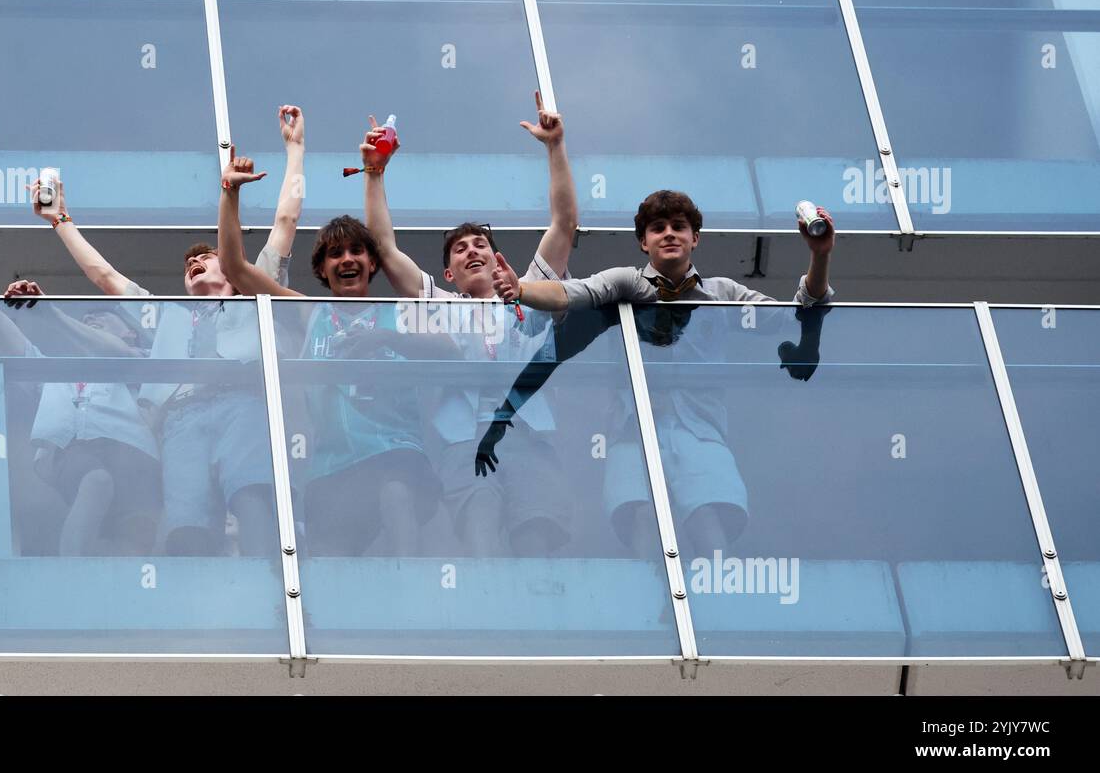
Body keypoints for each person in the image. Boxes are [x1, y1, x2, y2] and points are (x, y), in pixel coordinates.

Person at [491, 189, 835, 561]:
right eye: (658, 228)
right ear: (643, 242)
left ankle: (719, 604)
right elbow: (573, 292)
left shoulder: (722, 293)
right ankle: (651, 611)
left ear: (695, 238)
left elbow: (798, 314)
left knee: (708, 520)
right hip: (632, 433)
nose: (669, 233)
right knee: (641, 520)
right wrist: (521, 290)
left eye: (678, 226)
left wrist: (820, 255)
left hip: (701, 432)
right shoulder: (625, 283)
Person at [27, 105, 306, 556]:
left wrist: (295, 150)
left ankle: (269, 591)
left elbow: (286, 222)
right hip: (182, 420)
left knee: (253, 500)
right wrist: (60, 220)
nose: (194, 264)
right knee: (186, 525)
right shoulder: (169, 316)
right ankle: (197, 615)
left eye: (206, 258)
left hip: (245, 403)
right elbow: (106, 278)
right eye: (188, 265)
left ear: (232, 269)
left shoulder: (257, 295)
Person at [358, 92, 580, 556]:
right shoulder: (437, 304)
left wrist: (555, 148)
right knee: (479, 531)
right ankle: (489, 620)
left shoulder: (529, 293)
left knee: (534, 537)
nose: (472, 251)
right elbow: (383, 247)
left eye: (480, 243)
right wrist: (375, 174)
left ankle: (533, 626)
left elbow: (563, 225)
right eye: (460, 249)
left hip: (529, 436)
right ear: (447, 274)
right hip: (464, 441)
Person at [217, 150, 457, 556]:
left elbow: (449, 352)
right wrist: (230, 194)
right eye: (335, 254)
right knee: (329, 561)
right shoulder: (311, 312)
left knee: (396, 495)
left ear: (371, 264)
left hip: (396, 451)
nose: (347, 259)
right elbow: (236, 269)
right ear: (323, 270)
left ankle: (415, 594)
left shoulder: (399, 314)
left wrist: (387, 340)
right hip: (331, 466)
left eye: (356, 251)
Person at [0, 181, 161, 556]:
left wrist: (50, 310)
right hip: (75, 456)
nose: (95, 319)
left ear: (132, 335)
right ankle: (68, 569)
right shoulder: (51, 373)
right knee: (97, 482)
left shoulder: (137, 362)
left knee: (134, 545)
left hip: (134, 461)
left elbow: (112, 353)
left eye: (104, 316)